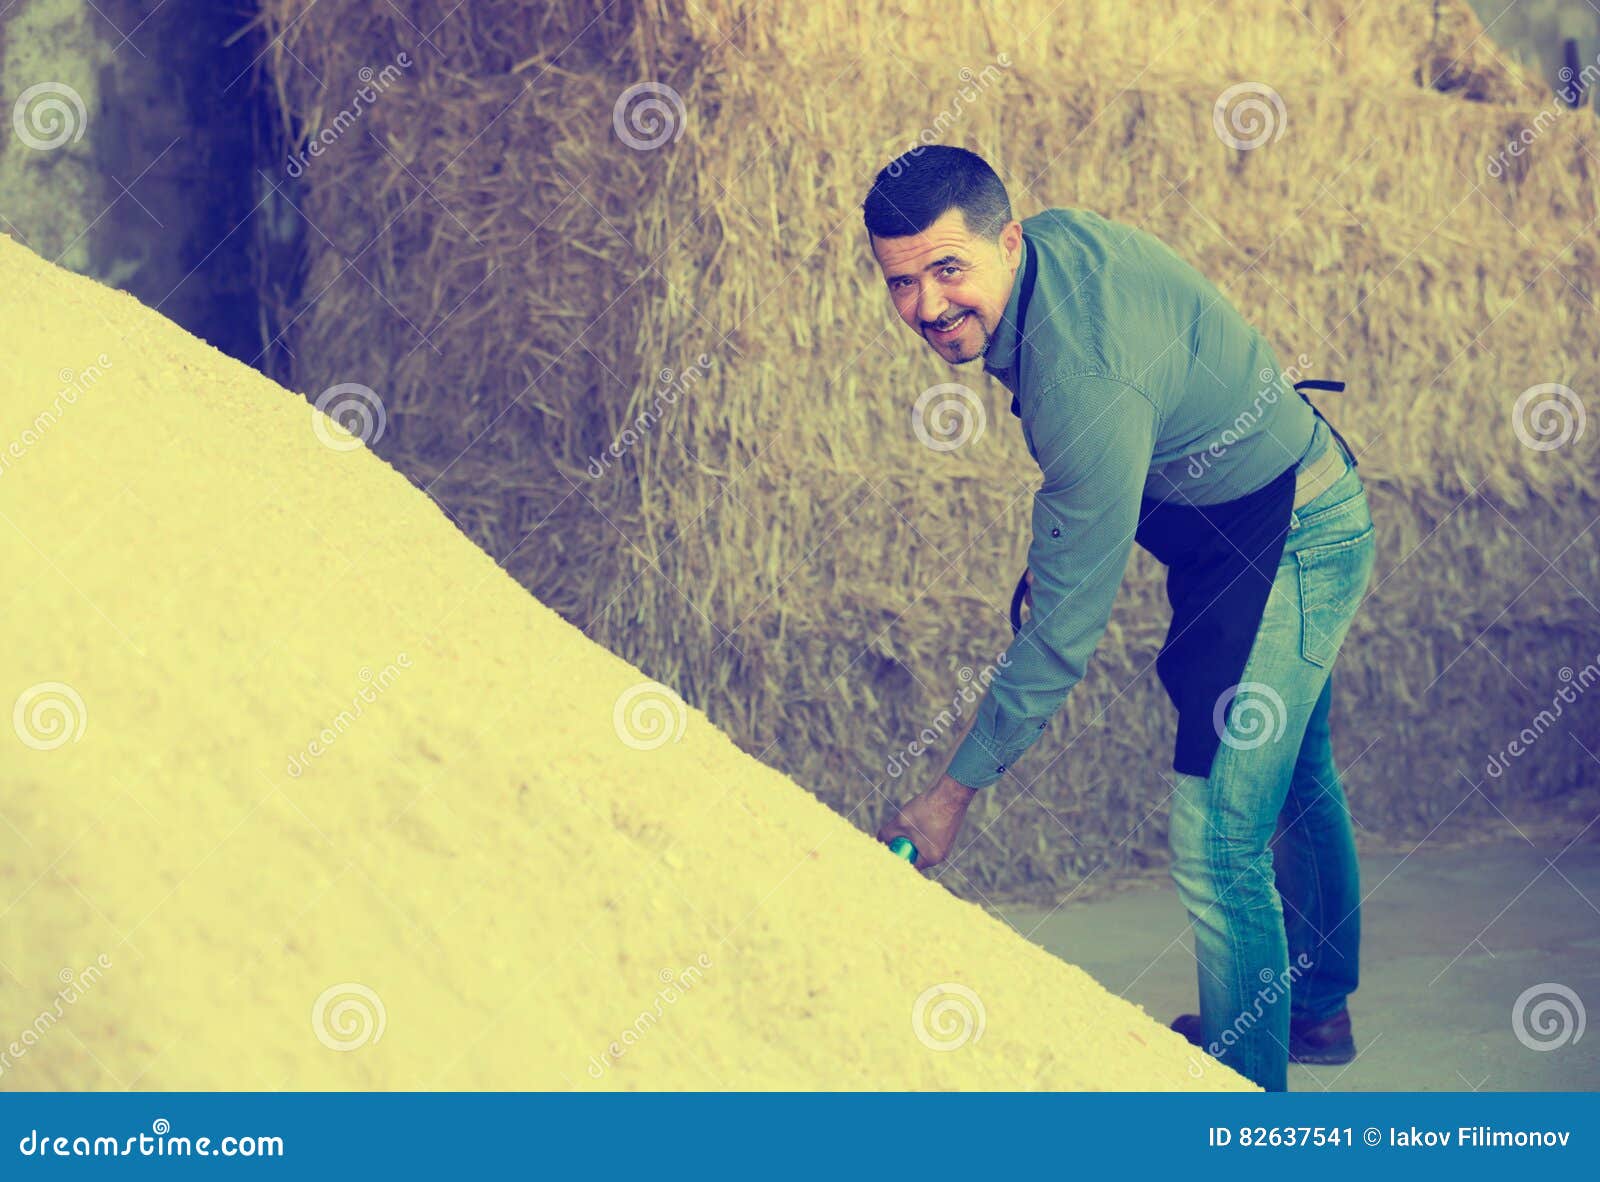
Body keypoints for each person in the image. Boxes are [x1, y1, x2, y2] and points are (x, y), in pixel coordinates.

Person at [865, 146, 1376, 1092]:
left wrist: (948, 798)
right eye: (901, 282)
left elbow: (1061, 638)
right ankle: (1311, 1008)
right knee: (1296, 773)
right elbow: (1133, 411)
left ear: (1008, 243)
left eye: (947, 270)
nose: (927, 306)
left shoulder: (1081, 381)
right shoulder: (1051, 258)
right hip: (1255, 508)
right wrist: (1080, 525)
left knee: (1219, 831)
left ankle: (1245, 1102)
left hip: (1294, 537)